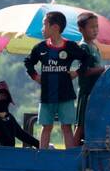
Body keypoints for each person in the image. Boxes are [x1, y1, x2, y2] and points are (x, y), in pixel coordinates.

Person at [23, 11, 84, 149]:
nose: (42, 29)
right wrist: (35, 76)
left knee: (66, 127)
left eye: (44, 25)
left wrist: (77, 72)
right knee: (46, 127)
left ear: (55, 27)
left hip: (66, 95)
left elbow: (86, 60)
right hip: (47, 96)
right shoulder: (40, 48)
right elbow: (28, 62)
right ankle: (42, 157)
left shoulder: (71, 47)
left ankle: (69, 159)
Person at [72, 12, 105, 145]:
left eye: (97, 26)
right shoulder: (83, 47)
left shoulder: (95, 47)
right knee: (80, 125)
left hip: (96, 92)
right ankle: (69, 155)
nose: (95, 30)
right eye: (91, 27)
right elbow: (84, 71)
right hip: (86, 93)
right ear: (81, 29)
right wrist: (104, 69)